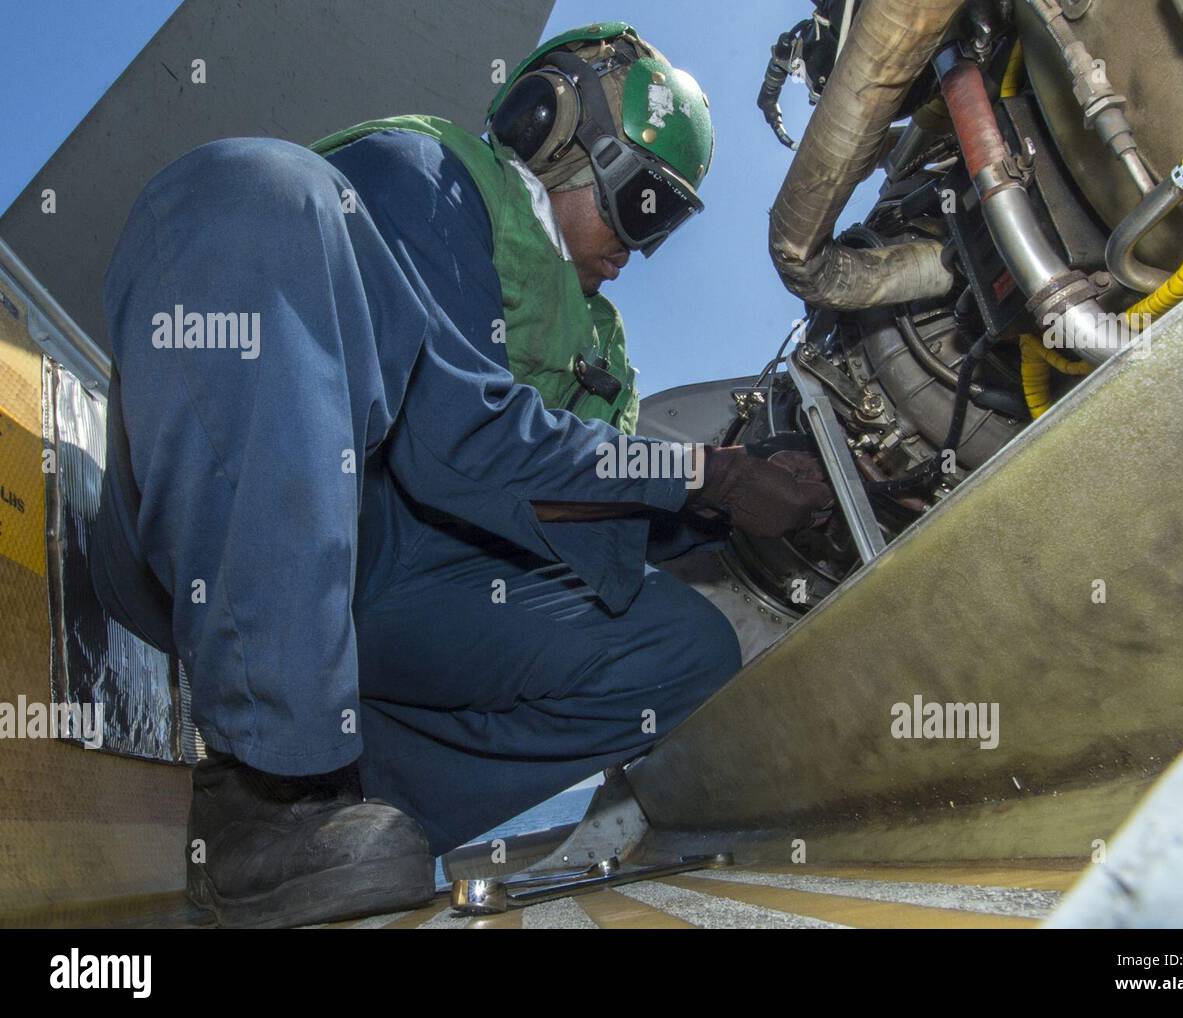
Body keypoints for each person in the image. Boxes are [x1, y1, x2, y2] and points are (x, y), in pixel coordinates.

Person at [89, 21, 832, 927]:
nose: (642, 245)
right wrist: (701, 473)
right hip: (238, 528)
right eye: (642, 204)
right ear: (546, 126)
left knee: (684, 648)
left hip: (395, 585)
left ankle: (328, 807)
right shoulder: (425, 179)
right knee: (258, 192)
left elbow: (565, 497)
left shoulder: (602, 346)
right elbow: (463, 440)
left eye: (668, 223)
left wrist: (719, 503)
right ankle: (271, 783)